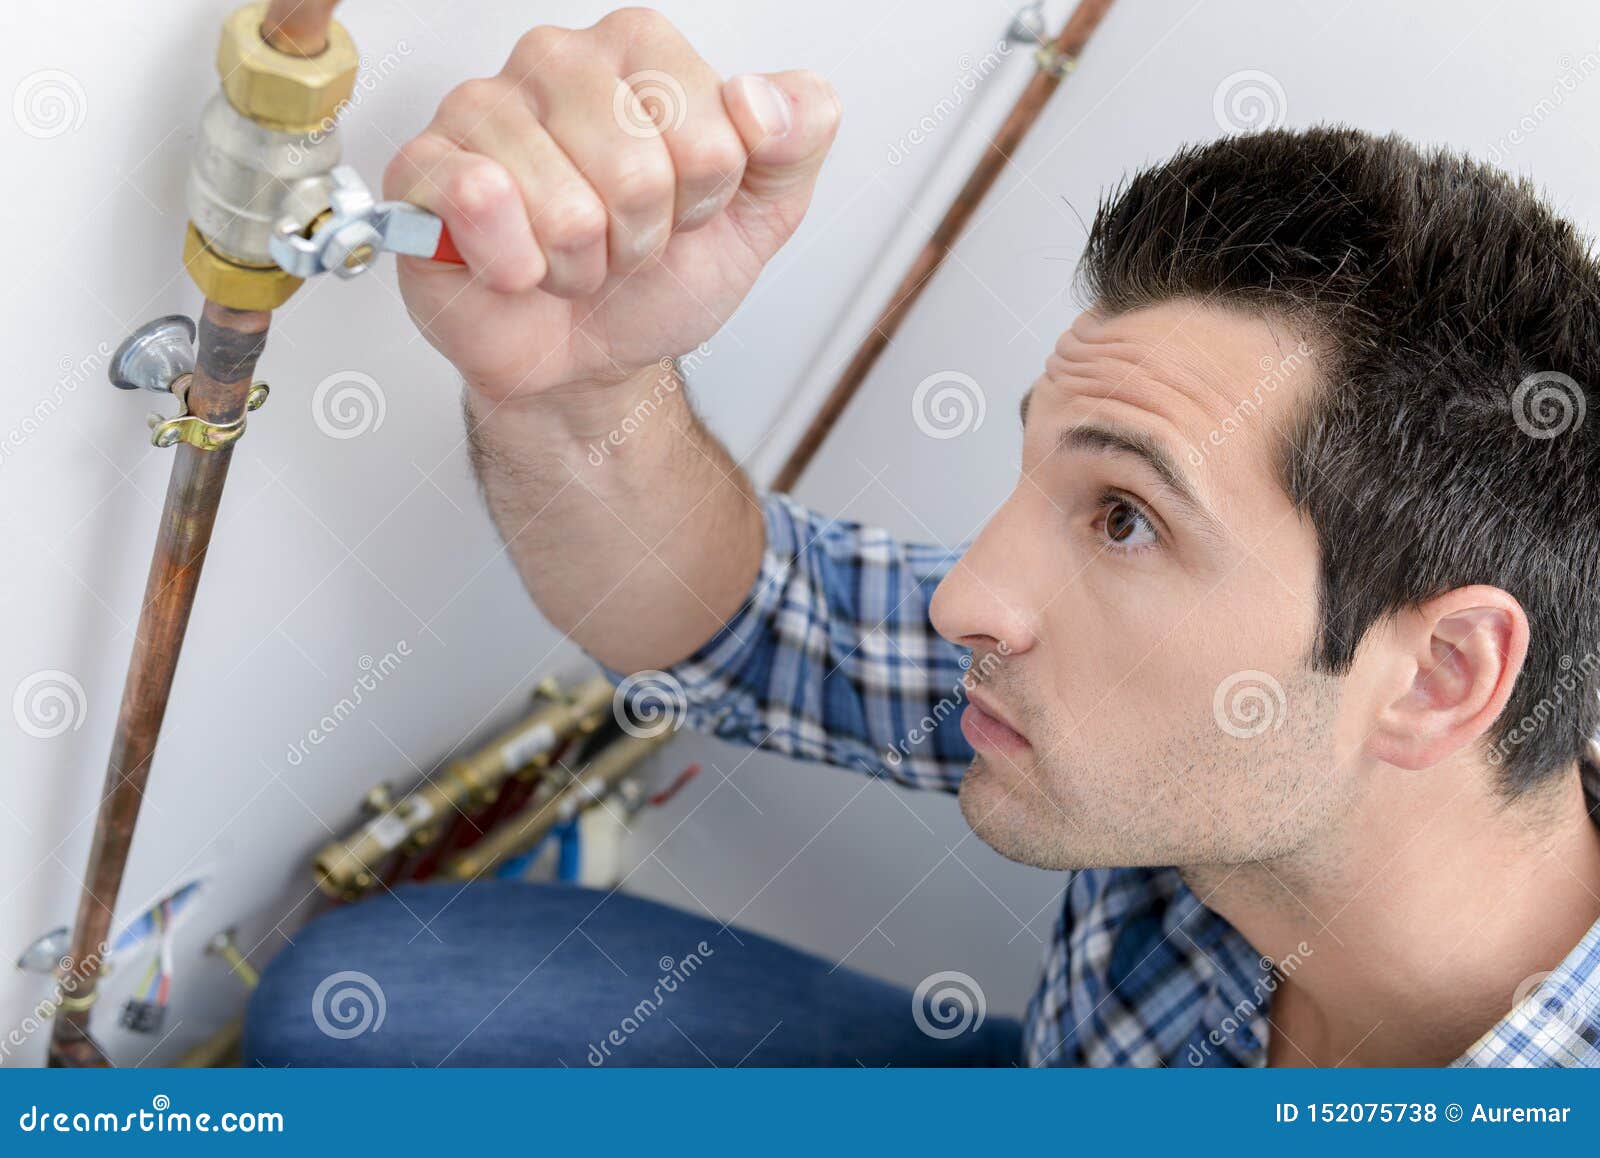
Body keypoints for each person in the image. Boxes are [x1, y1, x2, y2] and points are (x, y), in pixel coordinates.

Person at [246, 8, 1600, 1067]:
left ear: (1437, 676)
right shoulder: (1219, 754)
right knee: (367, 1004)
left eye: (1125, 517)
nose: (968, 596)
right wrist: (573, 382)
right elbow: (749, 616)